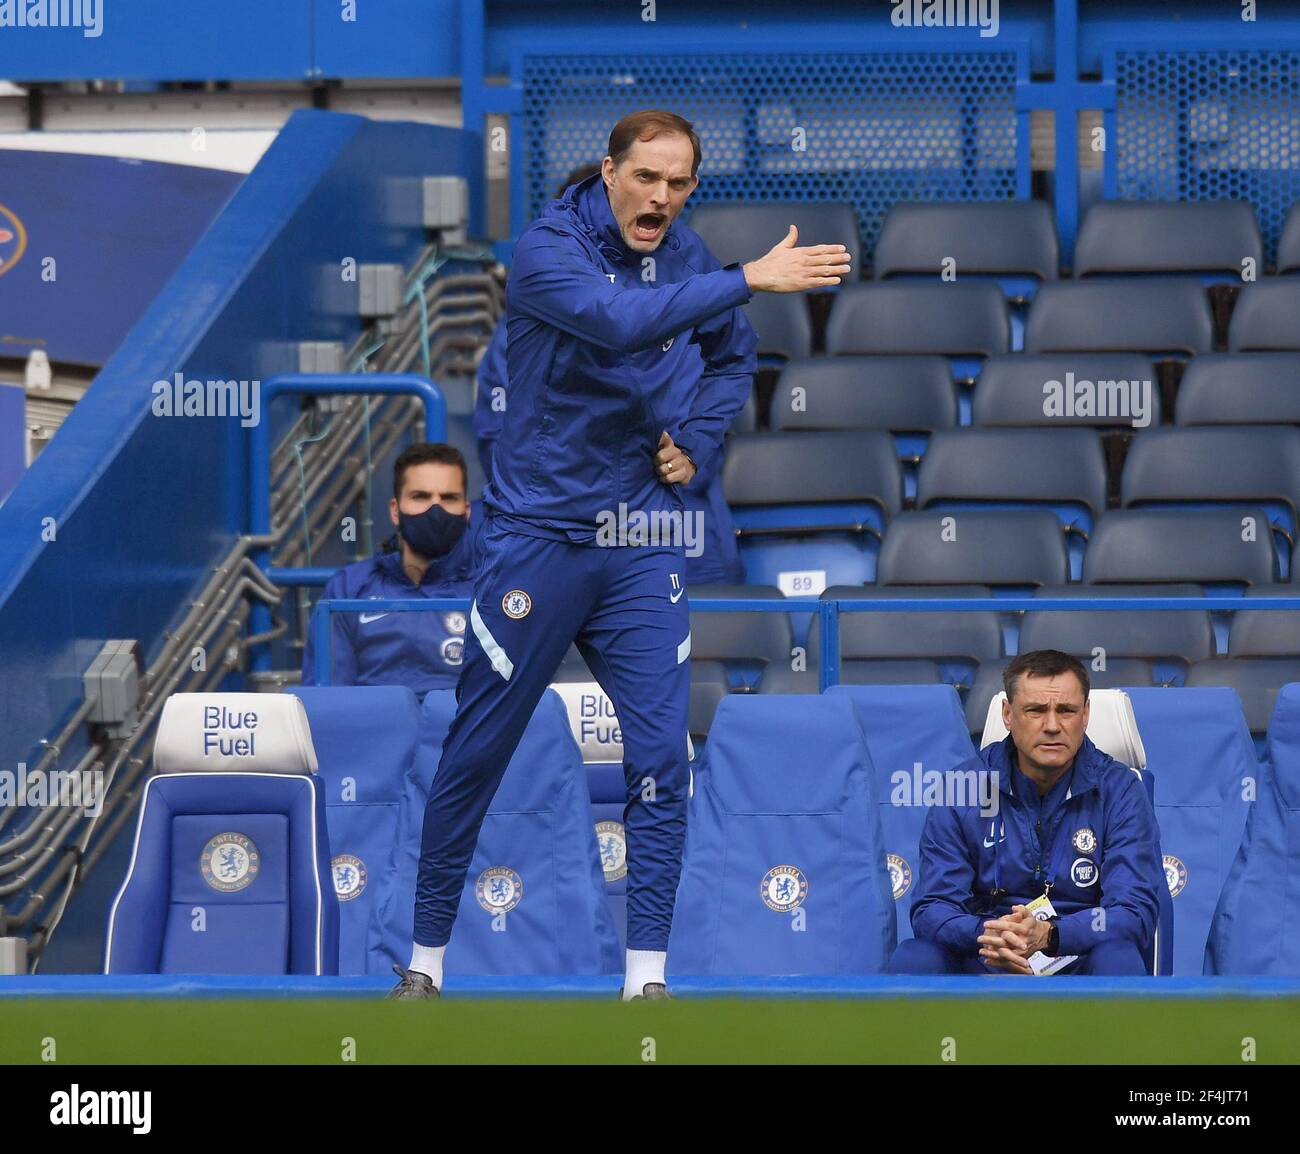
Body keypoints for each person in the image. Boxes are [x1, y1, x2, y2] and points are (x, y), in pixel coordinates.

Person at [389, 108, 849, 1000]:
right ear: (610, 170)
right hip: (536, 538)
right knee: (476, 753)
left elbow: (730, 358)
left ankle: (647, 981)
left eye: (680, 184)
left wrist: (699, 440)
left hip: (640, 540)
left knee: (660, 761)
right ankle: (425, 964)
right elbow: (616, 323)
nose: (663, 198)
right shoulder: (546, 250)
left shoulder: (687, 255)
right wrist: (748, 275)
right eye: (648, 178)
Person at [474, 166, 745, 584]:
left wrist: (691, 450)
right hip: (560, 528)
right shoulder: (529, 318)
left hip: (684, 520)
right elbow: (499, 433)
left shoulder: (690, 278)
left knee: (709, 642)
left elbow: (733, 362)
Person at [889, 649, 1164, 976]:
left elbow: (1133, 912)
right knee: (915, 958)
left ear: (1086, 714)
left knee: (1119, 959)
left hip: (1078, 957)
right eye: (1035, 710)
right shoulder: (962, 788)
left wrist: (1050, 935)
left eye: (1066, 710)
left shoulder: (1120, 791)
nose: (1052, 725)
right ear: (1007, 713)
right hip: (985, 954)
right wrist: (992, 935)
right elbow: (933, 908)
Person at [301, 443, 476, 699]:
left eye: (449, 498)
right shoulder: (348, 589)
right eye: (420, 496)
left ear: (466, 511)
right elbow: (329, 700)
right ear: (395, 511)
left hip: (464, 735)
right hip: (371, 734)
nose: (435, 509)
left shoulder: (490, 589)